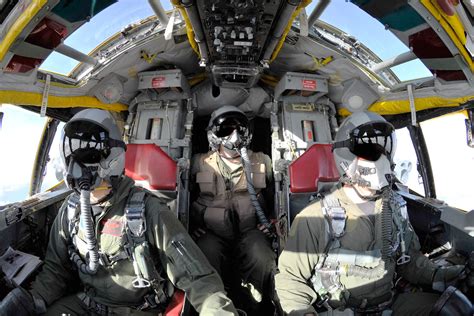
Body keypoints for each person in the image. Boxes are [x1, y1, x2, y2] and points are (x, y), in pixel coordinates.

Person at [0, 109, 238, 315]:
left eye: (89, 156)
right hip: (86, 304)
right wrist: (33, 301)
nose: (77, 167)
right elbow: (55, 271)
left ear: (113, 157)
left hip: (137, 310)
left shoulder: (149, 211)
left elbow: (198, 280)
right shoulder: (70, 211)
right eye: (72, 156)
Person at [275, 111, 470, 315]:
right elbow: (290, 280)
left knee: (456, 308)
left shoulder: (394, 208)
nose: (379, 160)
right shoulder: (315, 218)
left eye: (383, 152)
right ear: (345, 157)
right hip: (341, 310)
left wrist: (446, 276)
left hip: (390, 304)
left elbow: (409, 260)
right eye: (369, 152)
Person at [190, 106, 277, 315]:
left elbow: (278, 198)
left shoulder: (262, 161)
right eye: (225, 129)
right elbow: (184, 198)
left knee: (262, 255)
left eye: (239, 129)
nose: (234, 135)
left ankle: (255, 304)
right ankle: (216, 305)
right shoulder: (198, 163)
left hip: (251, 230)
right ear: (214, 134)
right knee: (203, 253)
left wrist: (272, 223)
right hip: (212, 232)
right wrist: (191, 228)